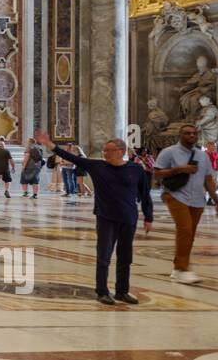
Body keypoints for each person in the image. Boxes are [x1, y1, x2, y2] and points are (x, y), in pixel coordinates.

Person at [35, 130, 153, 305]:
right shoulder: (98, 166)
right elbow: (72, 157)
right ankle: (102, 291)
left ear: (121, 151)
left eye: (109, 150)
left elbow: (145, 194)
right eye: (104, 151)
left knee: (125, 257)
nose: (105, 154)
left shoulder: (135, 169)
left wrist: (148, 216)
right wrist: (49, 144)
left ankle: (122, 291)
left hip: (128, 218)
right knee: (104, 256)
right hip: (106, 217)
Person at [153, 123, 218, 284]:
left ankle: (179, 268)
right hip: (175, 195)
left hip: (198, 198)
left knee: (190, 233)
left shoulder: (203, 156)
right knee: (184, 229)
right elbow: (156, 174)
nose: (191, 136)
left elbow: (208, 180)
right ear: (180, 135)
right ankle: (181, 268)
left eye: (193, 133)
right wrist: (179, 170)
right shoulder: (169, 152)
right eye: (187, 133)